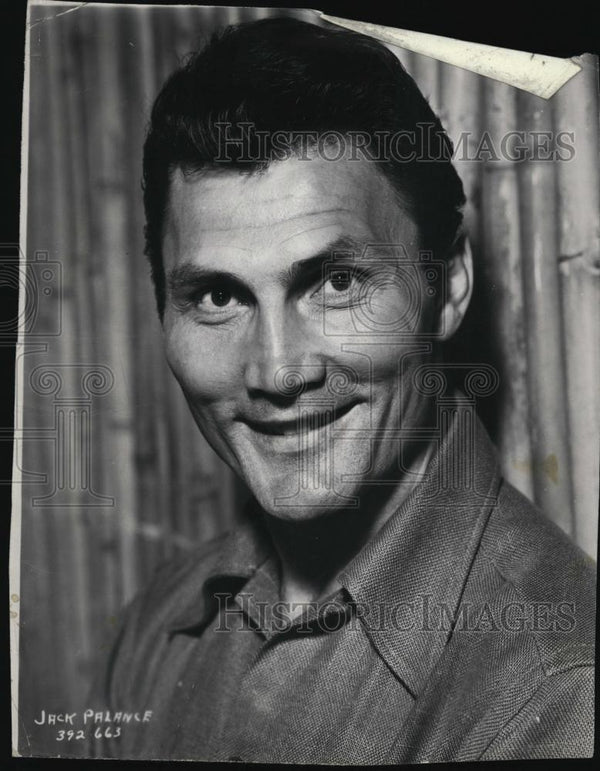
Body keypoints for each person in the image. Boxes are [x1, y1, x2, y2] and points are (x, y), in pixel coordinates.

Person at [87, 17, 595, 762]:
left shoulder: (558, 693)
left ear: (447, 285)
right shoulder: (156, 623)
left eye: (337, 281)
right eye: (218, 297)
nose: (276, 371)